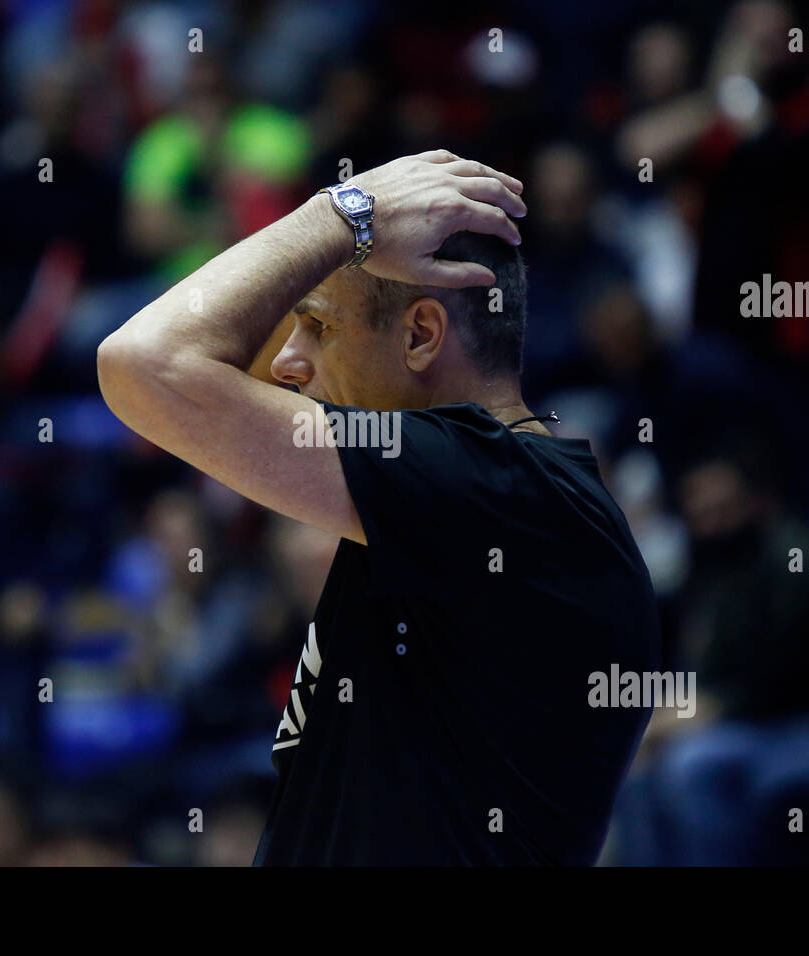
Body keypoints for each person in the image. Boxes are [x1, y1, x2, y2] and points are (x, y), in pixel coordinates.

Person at [97, 150, 660, 865]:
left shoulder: (503, 486)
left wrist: (340, 214)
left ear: (421, 335)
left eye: (317, 327)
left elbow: (142, 365)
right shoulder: (464, 504)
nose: (285, 364)